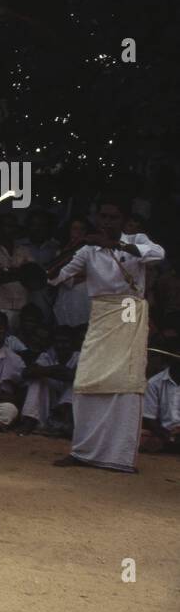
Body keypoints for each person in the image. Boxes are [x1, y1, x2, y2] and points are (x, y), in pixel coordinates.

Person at [50, 196, 165, 471]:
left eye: (114, 217)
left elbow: (159, 254)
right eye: (103, 217)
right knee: (87, 378)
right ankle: (83, 451)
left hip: (128, 309)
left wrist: (115, 244)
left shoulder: (137, 238)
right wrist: (74, 245)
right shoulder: (88, 250)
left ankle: (119, 457)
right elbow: (53, 276)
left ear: (123, 220)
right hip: (101, 313)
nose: (107, 222)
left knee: (125, 381)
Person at [15, 325, 80, 436]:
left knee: (77, 384)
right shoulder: (47, 356)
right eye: (58, 342)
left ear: (73, 343)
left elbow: (72, 375)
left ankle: (63, 424)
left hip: (71, 409)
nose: (61, 346)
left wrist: (45, 370)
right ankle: (30, 420)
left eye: (65, 342)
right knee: (37, 381)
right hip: (51, 405)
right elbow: (27, 373)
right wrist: (56, 369)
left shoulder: (80, 357)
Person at [0, 214, 32, 326]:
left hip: (23, 304)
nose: (10, 229)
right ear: (0, 228)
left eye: (13, 226)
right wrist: (19, 272)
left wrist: (6, 272)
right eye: (7, 226)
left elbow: (32, 274)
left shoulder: (24, 249)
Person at [140, 346, 180, 454]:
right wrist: (169, 435)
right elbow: (149, 418)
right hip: (166, 433)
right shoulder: (154, 383)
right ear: (171, 361)